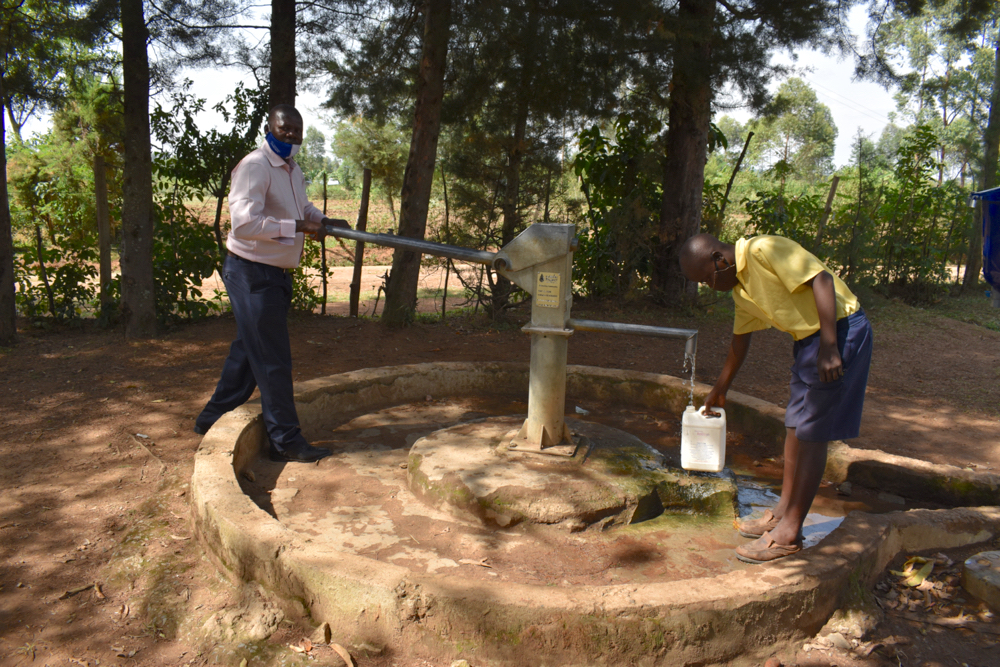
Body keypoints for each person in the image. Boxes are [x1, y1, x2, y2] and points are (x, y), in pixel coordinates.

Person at [679, 233, 873, 563]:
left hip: (838, 331)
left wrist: (829, 346)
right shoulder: (742, 289)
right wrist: (720, 389)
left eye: (707, 277)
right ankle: (782, 512)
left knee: (813, 433)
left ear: (718, 258)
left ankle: (789, 534)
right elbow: (739, 343)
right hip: (809, 340)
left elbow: (822, 280)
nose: (709, 286)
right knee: (795, 426)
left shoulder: (762, 249)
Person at [194, 104, 350, 463]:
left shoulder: (292, 170)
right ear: (270, 129)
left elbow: (302, 209)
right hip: (251, 272)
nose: (292, 136)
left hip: (274, 274)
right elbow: (245, 224)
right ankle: (285, 441)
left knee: (250, 352)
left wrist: (323, 220)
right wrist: (298, 227)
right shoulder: (254, 167)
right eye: (285, 130)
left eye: (297, 131)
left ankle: (210, 418)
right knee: (273, 359)